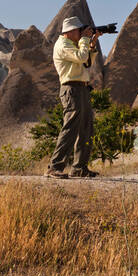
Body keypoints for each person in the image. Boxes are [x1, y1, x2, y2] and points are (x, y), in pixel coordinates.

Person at [48, 17, 105, 179]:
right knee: (71, 126)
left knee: (86, 128)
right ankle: (55, 166)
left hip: (82, 88)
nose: (81, 34)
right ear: (71, 31)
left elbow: (86, 62)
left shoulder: (73, 44)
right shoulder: (63, 45)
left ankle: (79, 168)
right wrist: (85, 39)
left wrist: (92, 41)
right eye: (79, 31)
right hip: (71, 88)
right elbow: (81, 57)